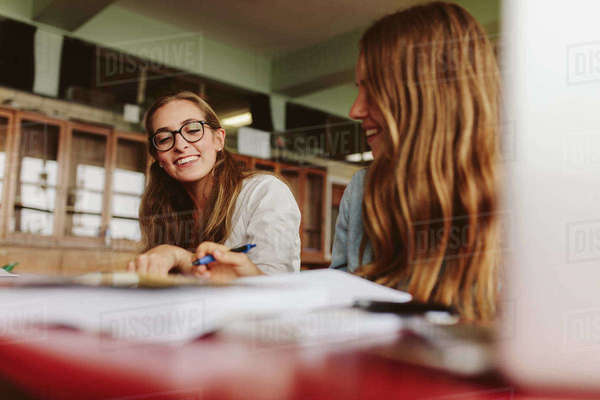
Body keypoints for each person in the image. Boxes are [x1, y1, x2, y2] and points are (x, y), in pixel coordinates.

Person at [331, 2, 500, 321]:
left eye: (375, 90)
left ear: (433, 94)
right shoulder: (360, 190)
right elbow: (336, 303)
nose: (354, 110)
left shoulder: (527, 205)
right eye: (359, 89)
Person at [128, 91, 301, 280]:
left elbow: (276, 288)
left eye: (193, 130)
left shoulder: (265, 192)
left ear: (219, 139)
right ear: (158, 158)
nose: (180, 145)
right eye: (164, 139)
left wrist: (179, 256)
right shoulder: (161, 208)